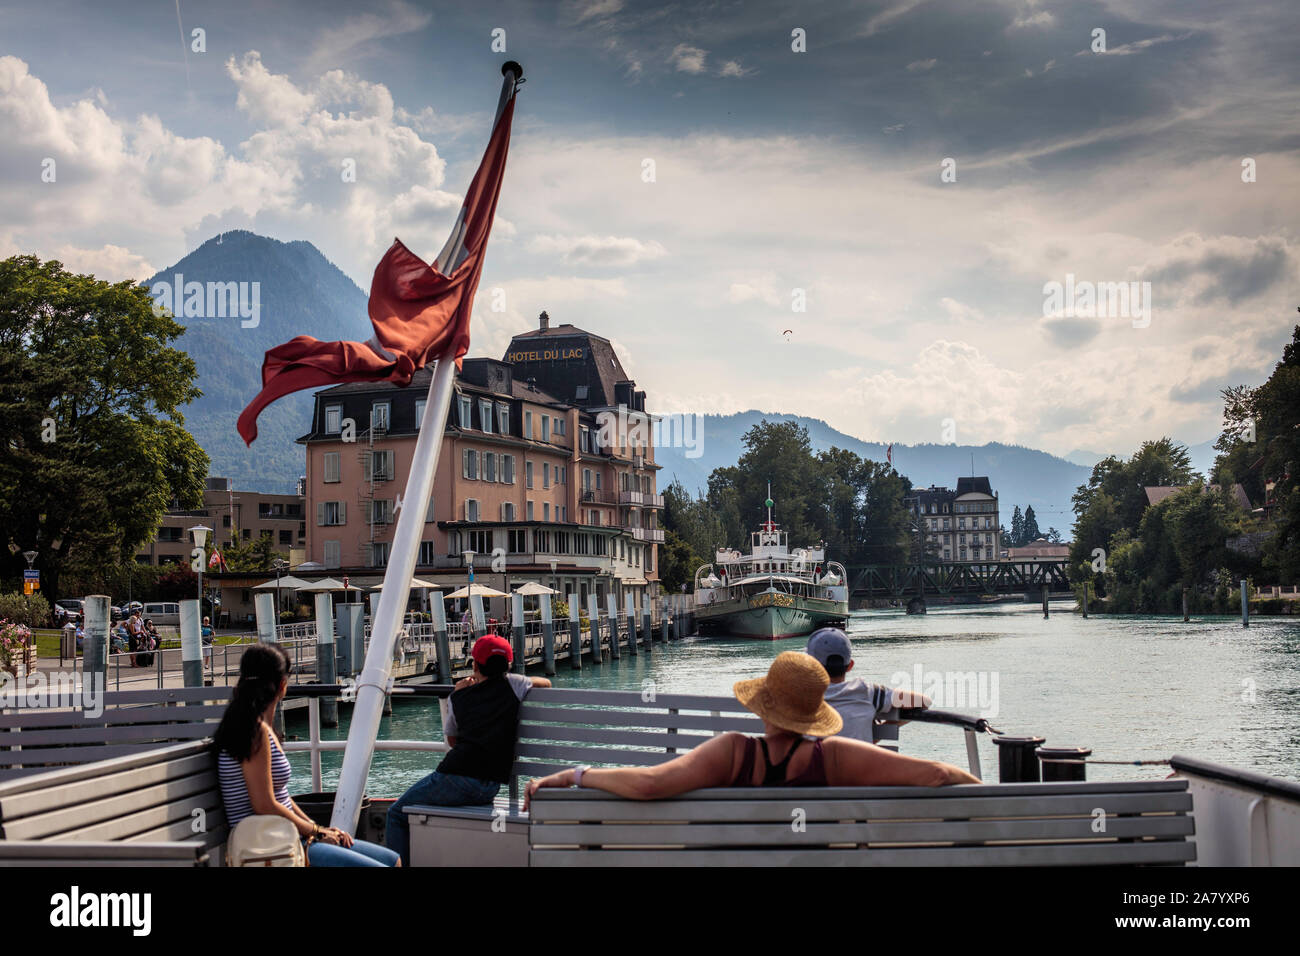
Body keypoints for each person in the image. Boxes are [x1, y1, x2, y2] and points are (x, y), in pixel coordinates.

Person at [525, 651, 978, 807]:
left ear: (765, 705)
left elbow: (649, 785)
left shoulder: (733, 752)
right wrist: (998, 797)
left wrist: (572, 775)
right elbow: (937, 774)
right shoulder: (836, 755)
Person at [214, 643, 399, 867]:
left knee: (392, 860)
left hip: (287, 834)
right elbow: (264, 804)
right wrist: (317, 832)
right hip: (269, 844)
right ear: (282, 684)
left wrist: (317, 829)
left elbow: (280, 798)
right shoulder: (253, 730)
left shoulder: (251, 726)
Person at [386, 635, 551, 866]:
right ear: (509, 665)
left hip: (456, 778)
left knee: (395, 814)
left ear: (475, 665)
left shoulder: (459, 696)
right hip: (490, 786)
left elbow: (453, 741)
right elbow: (546, 683)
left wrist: (458, 690)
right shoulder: (514, 685)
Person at [805, 628, 931, 744]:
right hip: (857, 765)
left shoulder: (797, 698)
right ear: (850, 666)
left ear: (810, 665)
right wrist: (878, 733)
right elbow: (923, 702)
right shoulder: (866, 692)